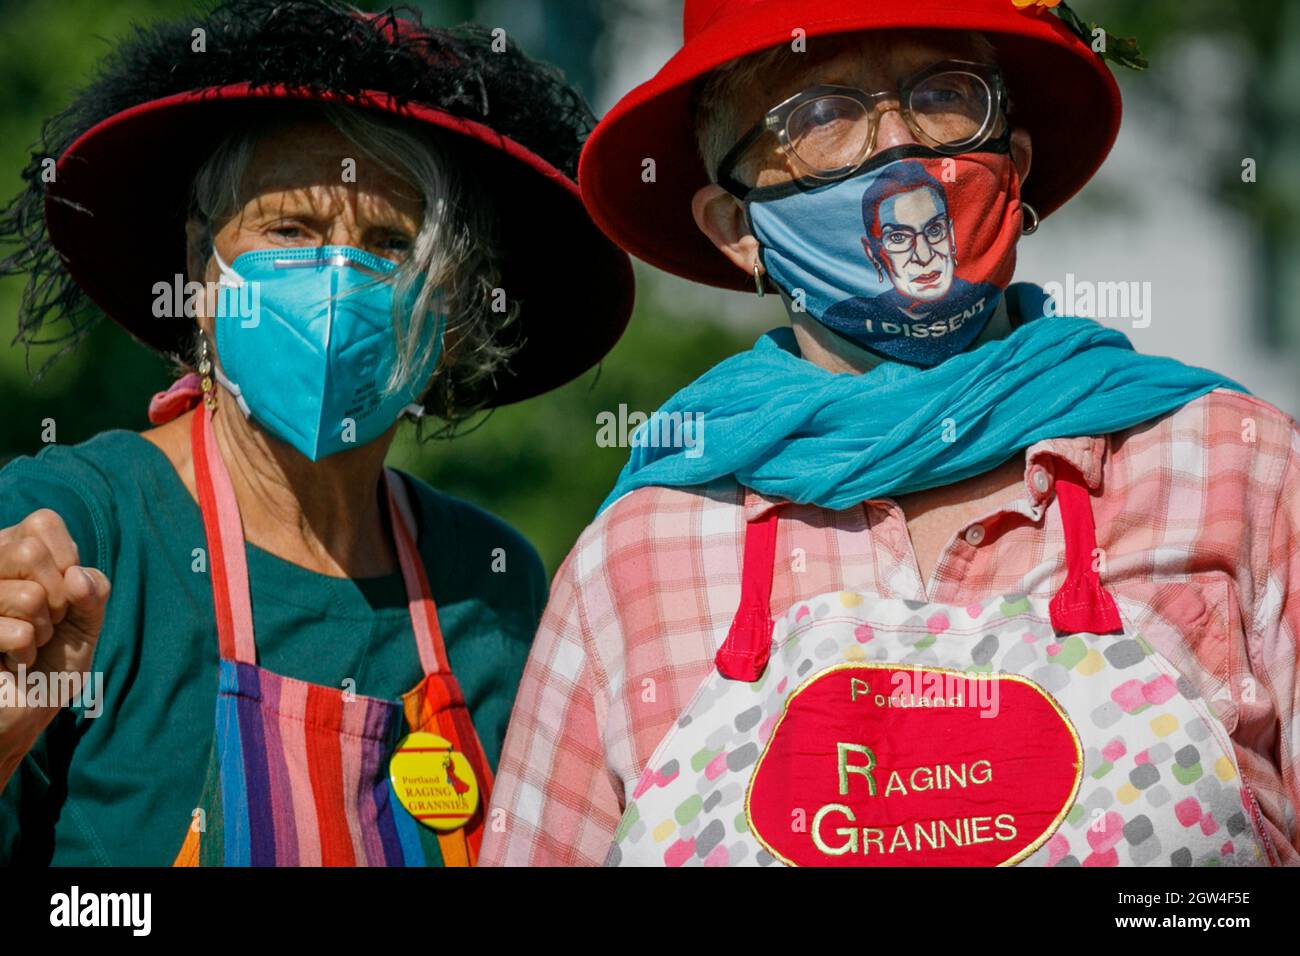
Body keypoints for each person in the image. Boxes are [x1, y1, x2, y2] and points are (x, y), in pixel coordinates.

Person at [482, 0, 1299, 867]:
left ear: (1012, 170)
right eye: (822, 116)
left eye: (944, 97)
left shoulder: (1234, 470)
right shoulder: (634, 562)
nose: (899, 148)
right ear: (736, 230)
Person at [0, 0, 632, 866]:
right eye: (289, 231)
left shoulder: (492, 587)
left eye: (388, 244)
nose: (337, 280)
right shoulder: (75, 532)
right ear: (201, 268)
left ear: (448, 309)